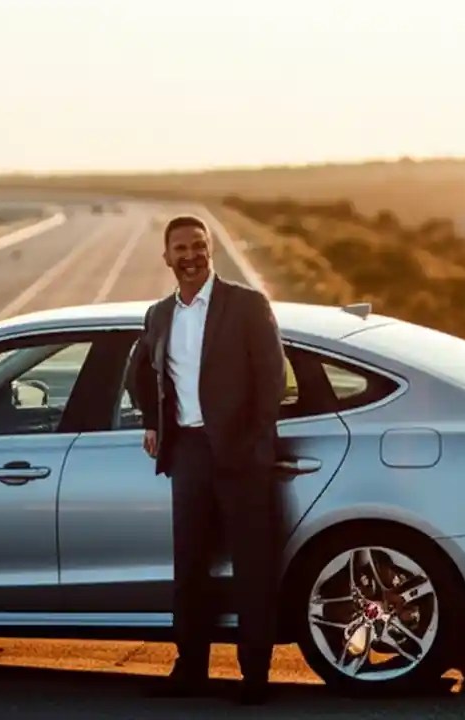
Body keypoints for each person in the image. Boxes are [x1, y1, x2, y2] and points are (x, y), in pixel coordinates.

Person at [126, 214, 287, 706]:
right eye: (181, 248)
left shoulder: (246, 305)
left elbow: (272, 382)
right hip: (190, 454)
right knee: (190, 569)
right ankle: (191, 668)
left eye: (198, 246)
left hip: (241, 456)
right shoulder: (159, 315)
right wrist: (153, 422)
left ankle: (255, 676)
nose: (190, 256)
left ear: (210, 250)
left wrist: (248, 442)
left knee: (252, 569)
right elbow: (138, 373)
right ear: (167, 257)